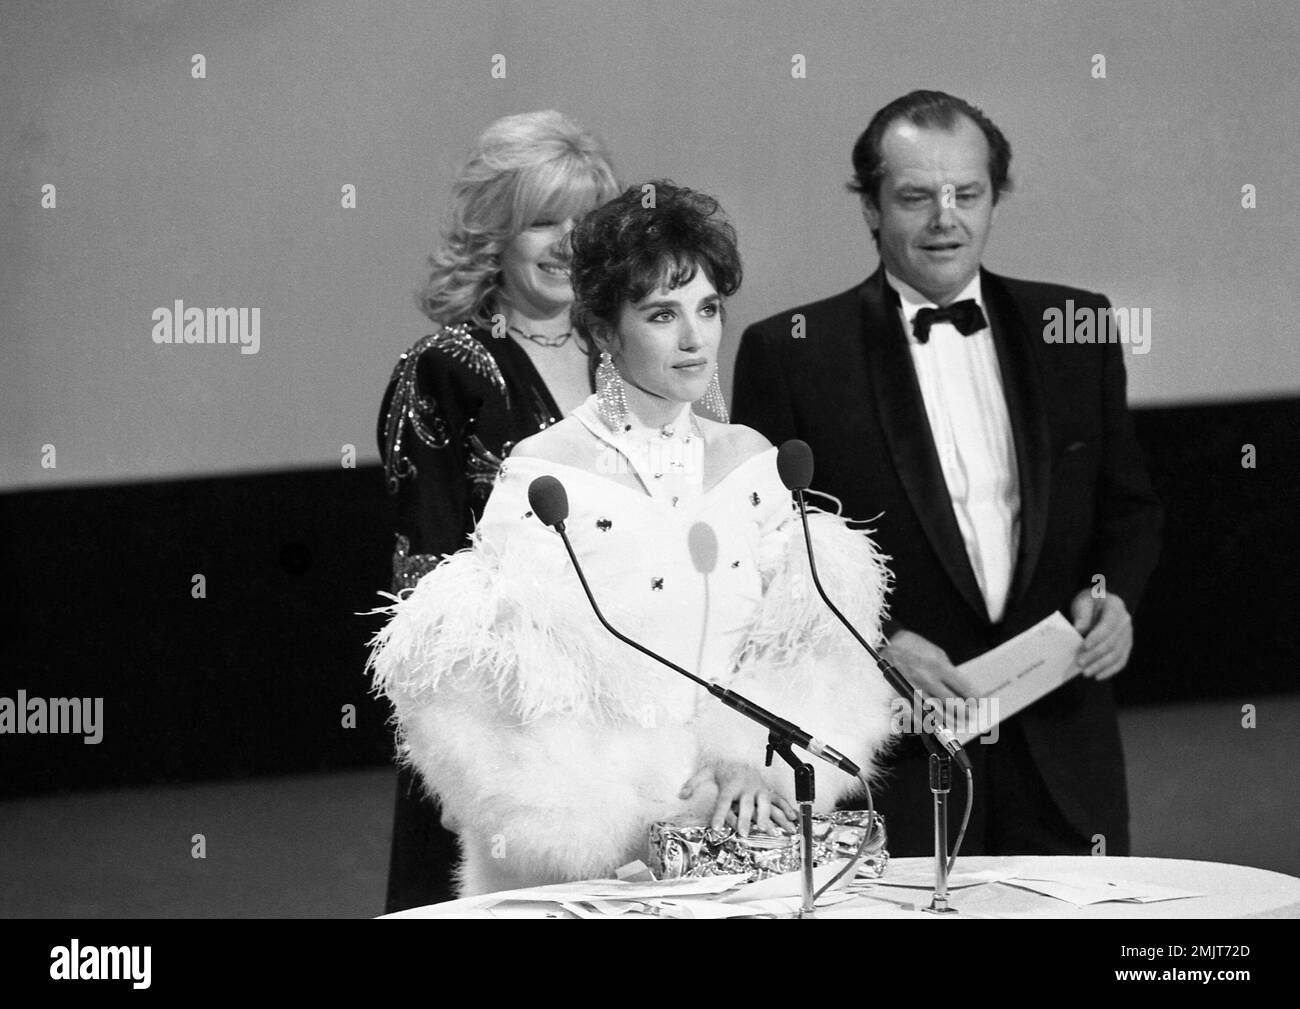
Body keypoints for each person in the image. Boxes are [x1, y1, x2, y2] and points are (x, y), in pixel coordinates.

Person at [369, 181, 897, 896]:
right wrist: (646, 812)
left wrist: (752, 764)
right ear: (605, 332)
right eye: (661, 314)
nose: (695, 337)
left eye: (708, 308)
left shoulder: (753, 462)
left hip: (734, 862)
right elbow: (489, 705)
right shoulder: (544, 476)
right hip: (588, 879)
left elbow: (808, 658)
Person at [732, 91, 1163, 858]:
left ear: (996, 198)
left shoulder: (1080, 326)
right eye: (915, 197)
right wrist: (879, 639)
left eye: (967, 194)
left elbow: (1128, 508)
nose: (946, 219)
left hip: (1066, 755)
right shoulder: (791, 353)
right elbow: (765, 552)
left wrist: (1112, 595)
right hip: (894, 758)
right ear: (869, 207)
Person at [375, 110, 619, 911]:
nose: (566, 244)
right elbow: (431, 591)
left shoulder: (631, 354)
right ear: (493, 234)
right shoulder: (446, 370)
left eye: (584, 223)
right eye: (541, 221)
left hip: (636, 732)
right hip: (508, 737)